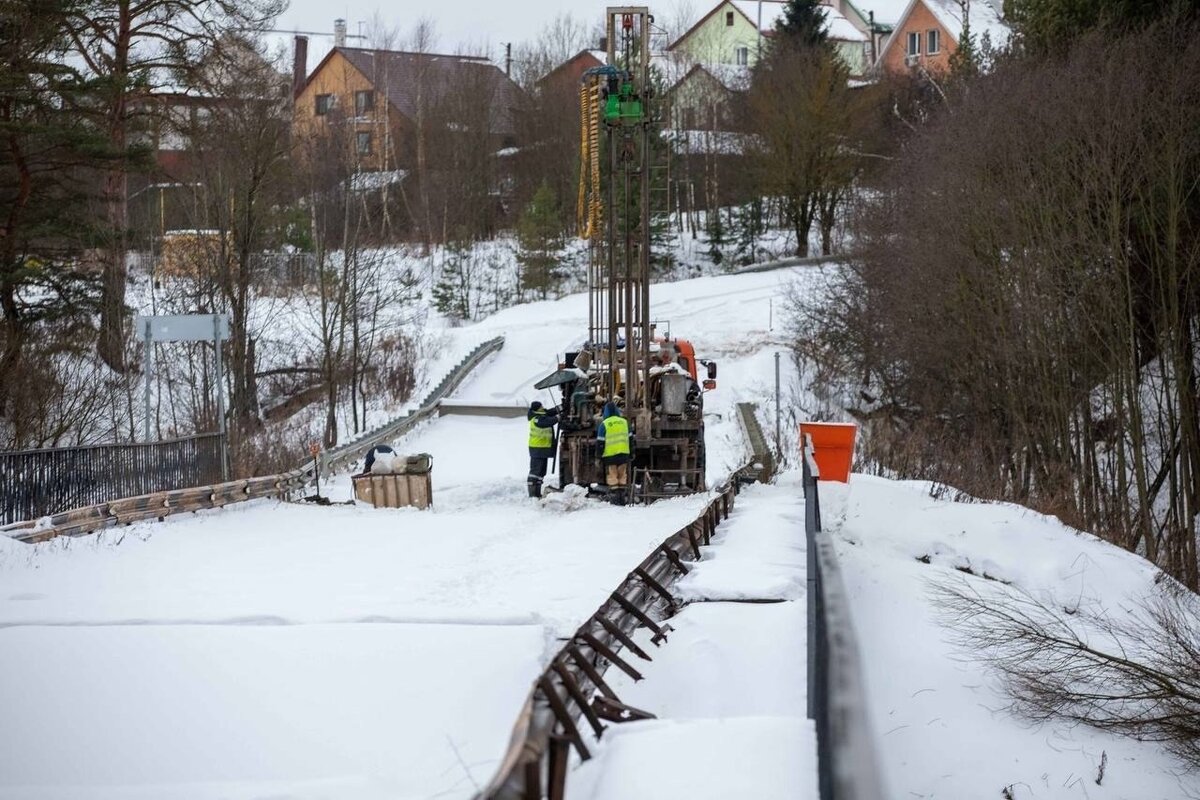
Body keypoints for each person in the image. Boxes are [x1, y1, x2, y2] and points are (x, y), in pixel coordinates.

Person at [596, 400, 632, 504]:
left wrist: (599, 456)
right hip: (624, 455)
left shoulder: (604, 424)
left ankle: (615, 498)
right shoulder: (625, 422)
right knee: (622, 476)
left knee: (612, 477)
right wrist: (632, 453)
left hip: (610, 456)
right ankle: (623, 497)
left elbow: (600, 442)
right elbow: (631, 439)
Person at [527, 401, 558, 498]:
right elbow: (547, 422)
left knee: (541, 472)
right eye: (541, 407)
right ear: (537, 409)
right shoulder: (536, 419)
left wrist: (559, 408)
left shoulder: (541, 414)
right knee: (535, 472)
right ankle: (532, 494)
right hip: (537, 449)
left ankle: (537, 493)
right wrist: (557, 418)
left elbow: (549, 412)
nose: (543, 407)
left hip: (543, 449)